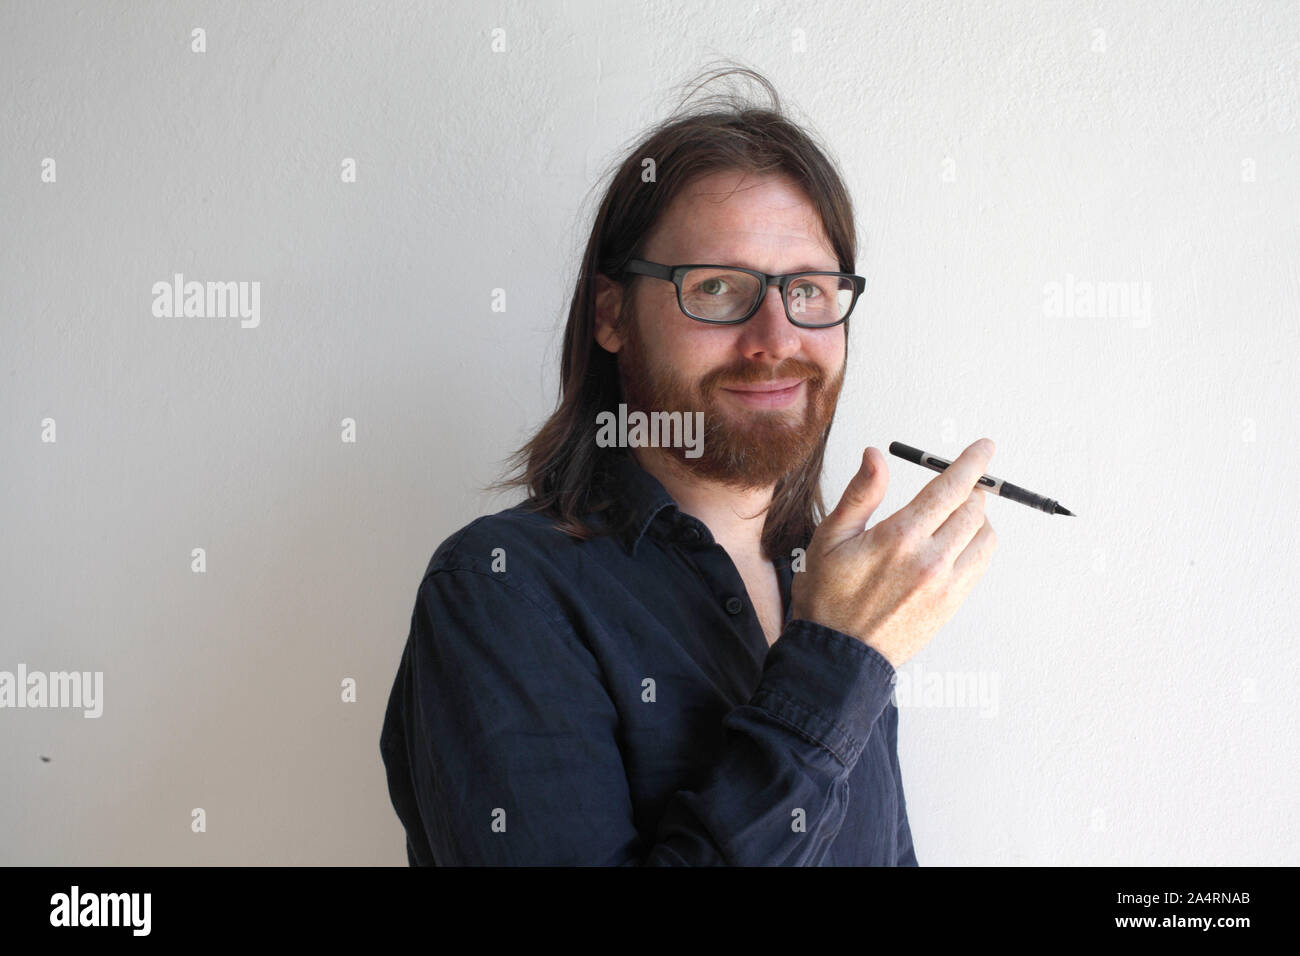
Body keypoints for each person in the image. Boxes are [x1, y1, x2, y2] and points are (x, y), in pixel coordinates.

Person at [379, 66, 998, 865]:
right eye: (716, 287)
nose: (775, 336)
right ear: (611, 314)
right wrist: (834, 671)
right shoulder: (500, 590)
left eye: (808, 290)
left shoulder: (833, 584)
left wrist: (846, 649)